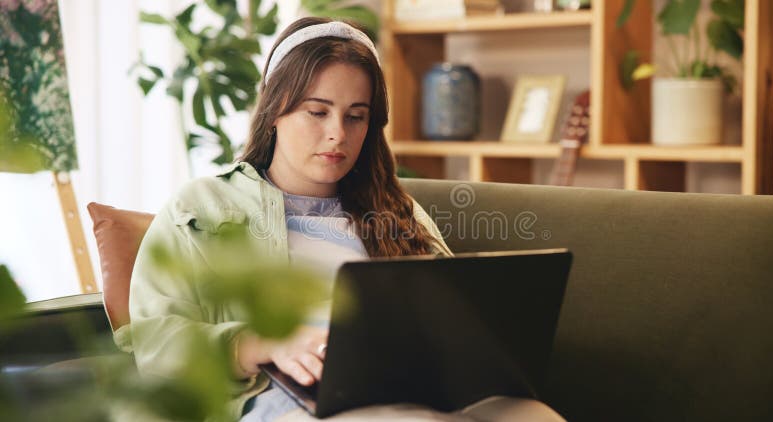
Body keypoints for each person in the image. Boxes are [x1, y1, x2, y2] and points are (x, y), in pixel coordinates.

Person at [128, 17, 564, 422]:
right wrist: (263, 343)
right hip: (283, 398)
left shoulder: (397, 209)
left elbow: (456, 311)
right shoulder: (201, 206)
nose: (338, 133)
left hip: (409, 386)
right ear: (274, 110)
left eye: (356, 116)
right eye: (317, 112)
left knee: (530, 414)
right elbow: (155, 343)